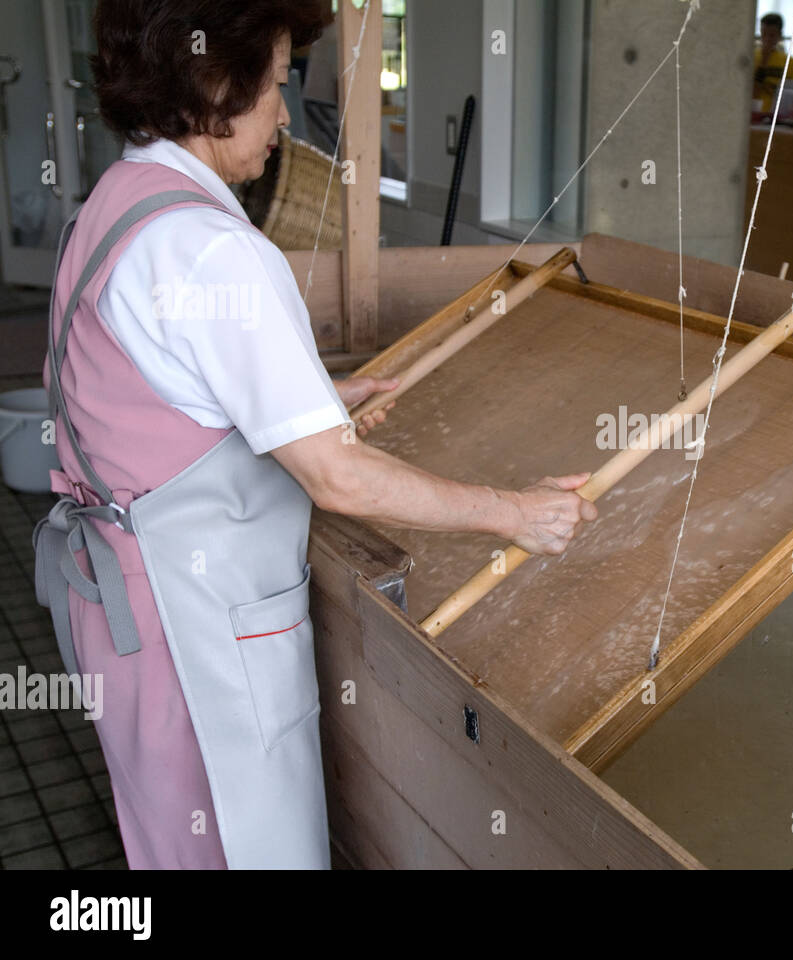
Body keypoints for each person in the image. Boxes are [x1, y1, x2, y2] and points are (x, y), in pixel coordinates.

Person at [34, 0, 597, 870]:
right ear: (216, 84)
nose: (285, 113)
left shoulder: (115, 203)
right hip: (197, 639)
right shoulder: (216, 250)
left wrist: (307, 398)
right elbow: (338, 481)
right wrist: (514, 513)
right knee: (242, 847)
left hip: (122, 619)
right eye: (277, 81)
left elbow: (150, 391)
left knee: (166, 847)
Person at [753, 12, 793, 115]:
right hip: (756, 111)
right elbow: (752, 92)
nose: (767, 39)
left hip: (780, 113)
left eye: (772, 35)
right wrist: (763, 61)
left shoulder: (789, 62)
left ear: (779, 36)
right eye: (764, 34)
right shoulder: (753, 58)